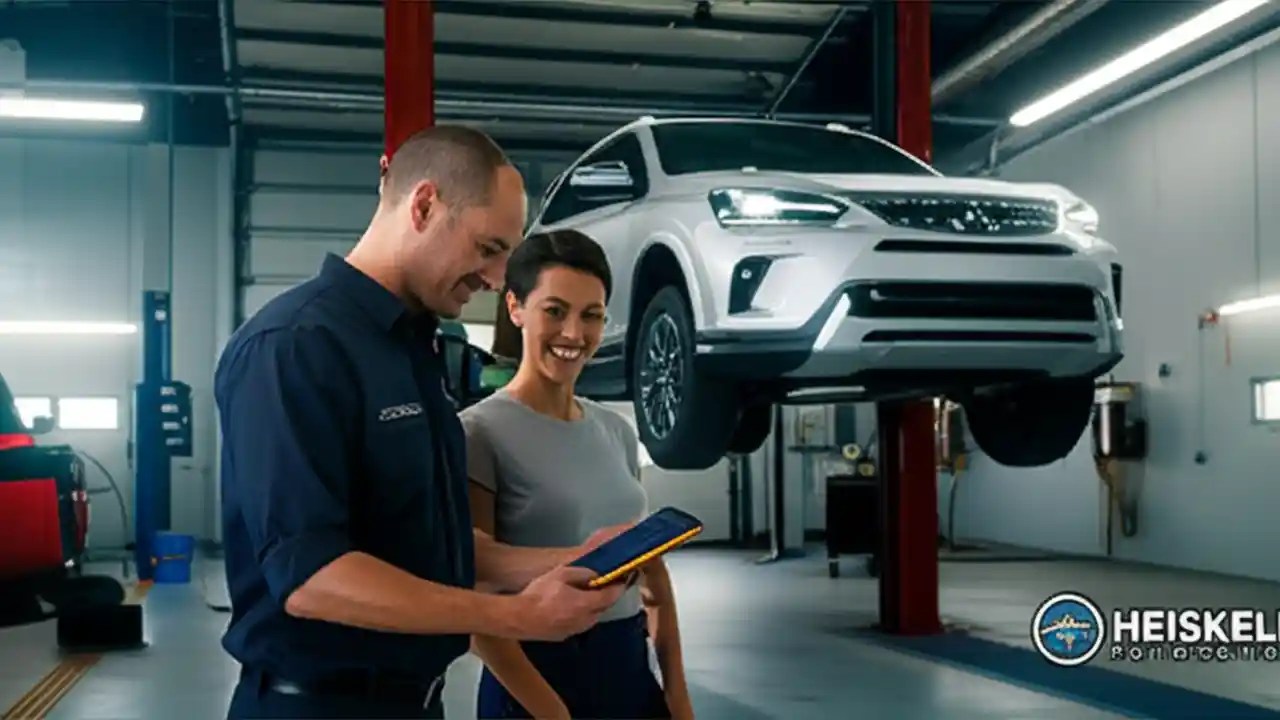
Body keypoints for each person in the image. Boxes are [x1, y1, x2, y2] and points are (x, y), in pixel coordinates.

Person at [215, 126, 630, 720]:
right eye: (488, 248)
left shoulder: (416, 348)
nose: (496, 279)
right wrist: (512, 615)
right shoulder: (294, 347)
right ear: (424, 205)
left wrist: (568, 558)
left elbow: (429, 544)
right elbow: (311, 579)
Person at [462, 229, 696, 720]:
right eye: (555, 311)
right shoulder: (479, 432)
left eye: (591, 315)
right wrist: (551, 711)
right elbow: (474, 596)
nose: (574, 333)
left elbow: (650, 573)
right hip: (532, 676)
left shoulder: (616, 431)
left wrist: (676, 693)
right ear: (515, 307)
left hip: (627, 669)